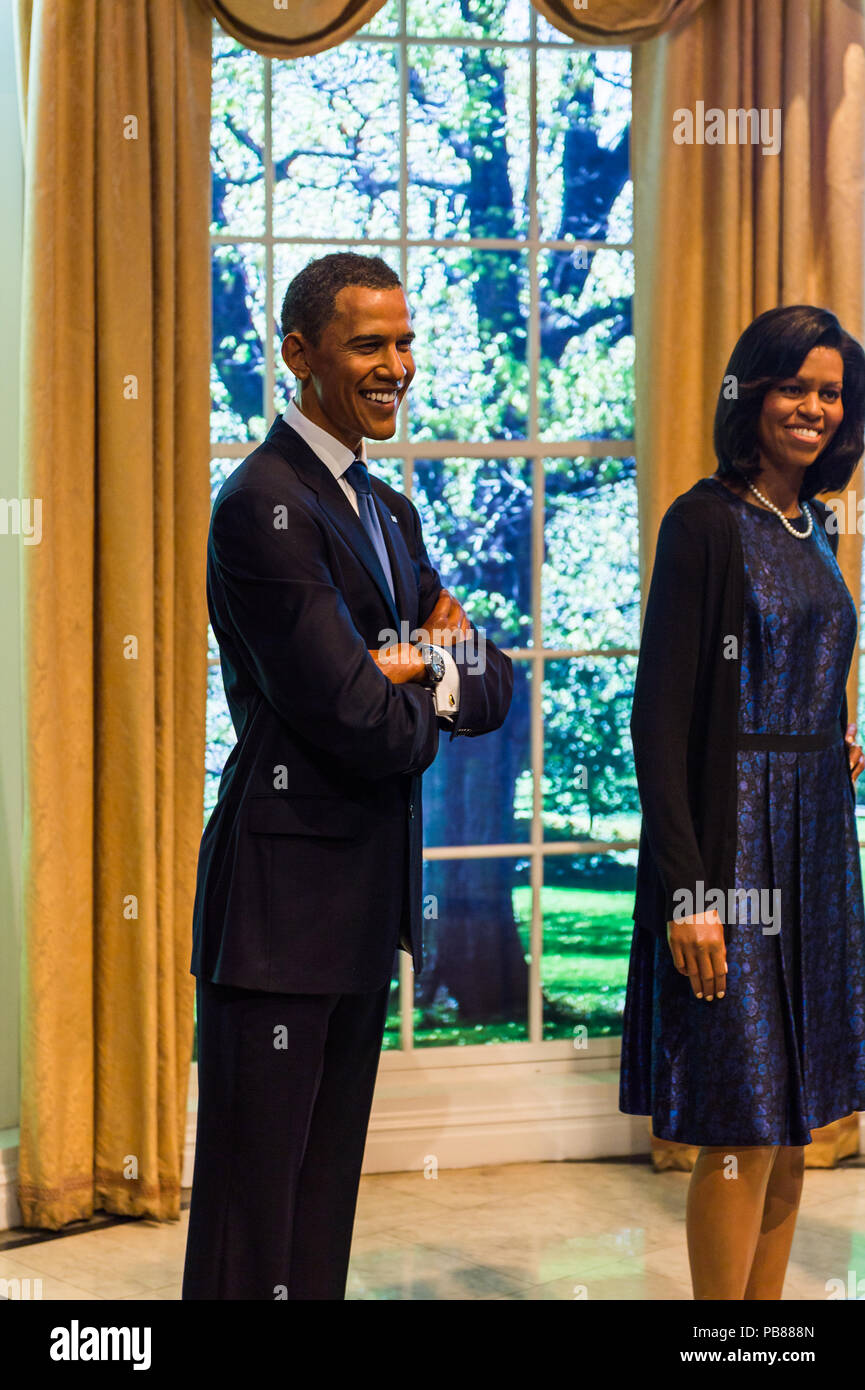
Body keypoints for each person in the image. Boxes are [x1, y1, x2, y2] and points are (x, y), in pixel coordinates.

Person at [181, 252, 513, 1300]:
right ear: (298, 354)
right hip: (276, 915)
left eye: (405, 341)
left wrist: (416, 665)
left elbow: (492, 685)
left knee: (322, 1204)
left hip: (359, 909)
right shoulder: (260, 506)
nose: (395, 364)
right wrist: (416, 670)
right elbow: (358, 719)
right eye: (368, 343)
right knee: (252, 1219)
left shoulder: (389, 512)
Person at [619, 304, 865, 1300]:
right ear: (750, 394)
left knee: (796, 1112)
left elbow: (806, 660)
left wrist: (830, 738)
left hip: (816, 845)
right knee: (740, 1113)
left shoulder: (820, 526)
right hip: (733, 852)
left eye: (829, 392)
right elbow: (659, 721)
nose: (811, 407)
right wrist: (690, 893)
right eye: (792, 386)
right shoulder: (703, 523)